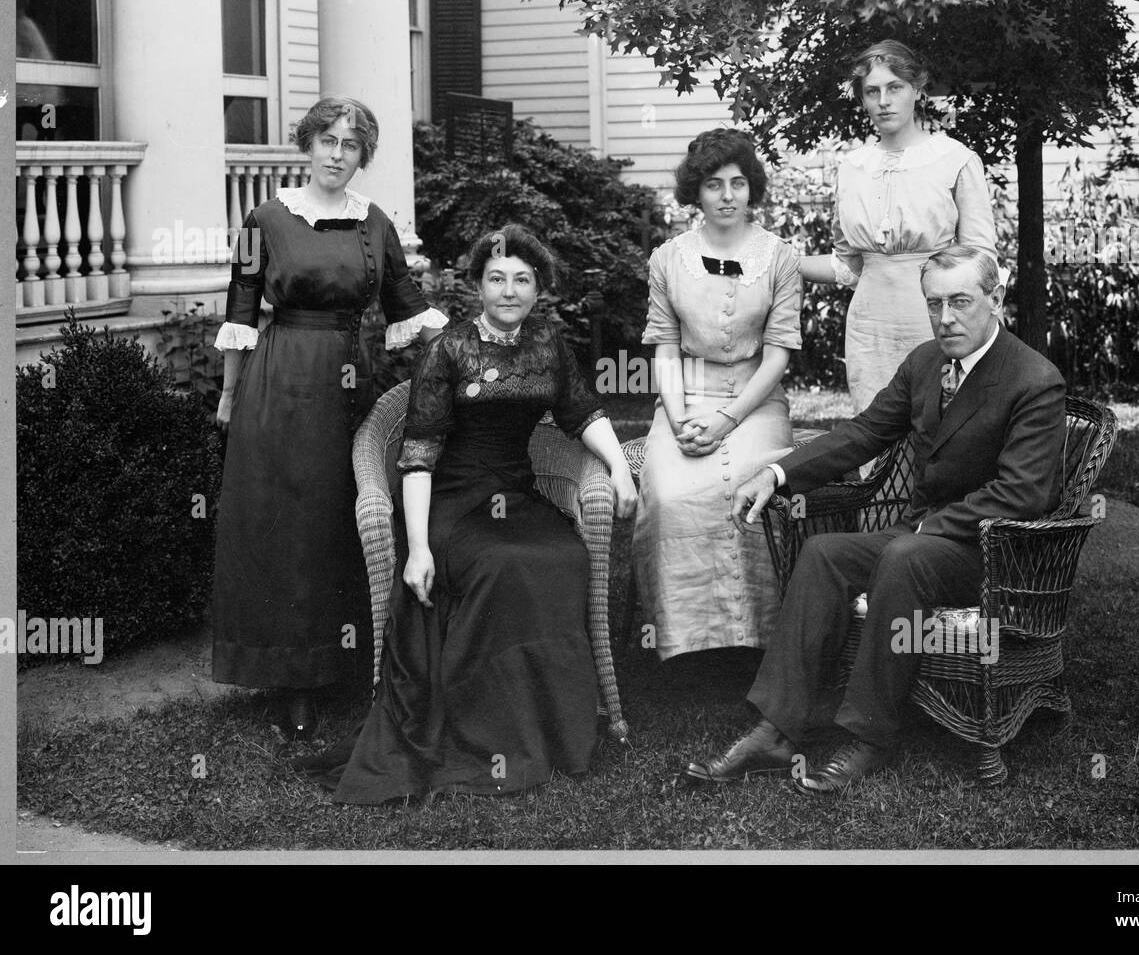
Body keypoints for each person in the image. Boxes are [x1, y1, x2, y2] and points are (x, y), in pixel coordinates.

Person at [681, 245, 1065, 794]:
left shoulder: (1033, 378)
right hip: (922, 538)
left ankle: (871, 734)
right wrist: (777, 475)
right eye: (934, 304)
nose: (946, 317)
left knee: (902, 556)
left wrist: (929, 528)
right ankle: (778, 728)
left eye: (961, 302)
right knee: (825, 553)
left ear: (995, 299)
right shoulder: (926, 362)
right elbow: (863, 433)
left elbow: (1023, 493)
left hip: (995, 552)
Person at [298, 225, 637, 803]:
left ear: (539, 290)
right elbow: (418, 453)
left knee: (561, 555)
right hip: (450, 499)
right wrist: (421, 547)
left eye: (522, 280)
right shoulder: (448, 349)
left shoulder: (549, 347)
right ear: (478, 285)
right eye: (497, 278)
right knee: (502, 562)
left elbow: (583, 413)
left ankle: (553, 732)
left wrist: (620, 467)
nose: (509, 291)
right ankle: (487, 729)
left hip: (515, 494)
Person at [212, 96, 448, 738]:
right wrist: (230, 397)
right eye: (327, 140)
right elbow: (240, 309)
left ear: (362, 157)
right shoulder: (263, 218)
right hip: (279, 381)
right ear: (307, 145)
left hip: (352, 383)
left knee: (345, 514)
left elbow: (409, 306)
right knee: (285, 521)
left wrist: (468, 367)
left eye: (350, 145)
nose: (337, 154)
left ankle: (348, 662)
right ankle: (292, 681)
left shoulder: (375, 222)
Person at [632, 128, 803, 659]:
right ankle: (684, 643)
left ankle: (762, 640)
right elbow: (663, 348)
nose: (727, 196)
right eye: (713, 185)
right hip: (686, 394)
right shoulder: (667, 259)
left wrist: (728, 419)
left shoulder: (780, 257)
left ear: (752, 189)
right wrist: (680, 419)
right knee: (667, 494)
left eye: (737, 183)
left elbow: (777, 355)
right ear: (696, 193)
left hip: (755, 399)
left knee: (752, 492)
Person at [798, 41, 999, 412]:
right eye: (872, 91)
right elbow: (847, 265)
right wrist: (778, 259)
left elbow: (981, 260)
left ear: (917, 90)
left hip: (937, 321)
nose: (883, 101)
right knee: (874, 437)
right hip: (869, 329)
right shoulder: (852, 167)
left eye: (895, 88)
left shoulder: (955, 160)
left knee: (938, 433)